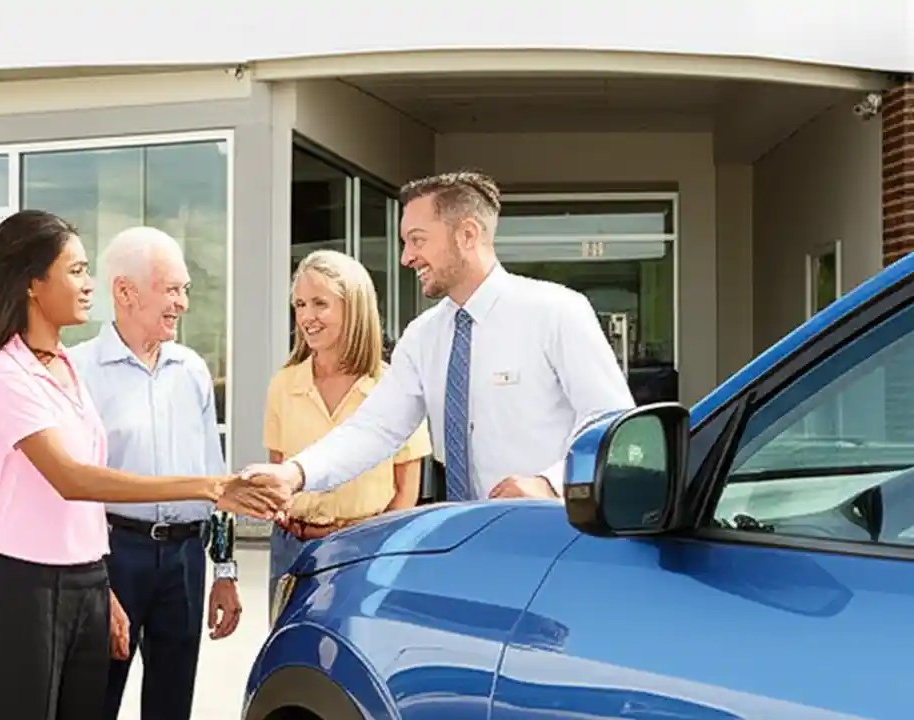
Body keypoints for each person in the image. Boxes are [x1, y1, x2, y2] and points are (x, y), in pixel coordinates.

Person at [0, 210, 286, 720]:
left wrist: (99, 585)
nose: (89, 286)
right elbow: (74, 480)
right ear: (34, 284)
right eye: (77, 271)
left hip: (89, 578)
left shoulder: (63, 366)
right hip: (28, 589)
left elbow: (85, 498)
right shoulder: (6, 373)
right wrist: (210, 486)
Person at [241, 170, 635, 504]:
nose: (406, 258)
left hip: (553, 535)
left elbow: (613, 422)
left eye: (417, 239)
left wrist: (550, 482)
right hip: (466, 537)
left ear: (467, 234)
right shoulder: (423, 336)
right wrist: (296, 473)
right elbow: (375, 428)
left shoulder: (556, 312)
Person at [68, 226, 241, 720]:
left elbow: (216, 480)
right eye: (172, 289)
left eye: (185, 289)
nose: (183, 302)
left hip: (186, 560)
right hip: (113, 557)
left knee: (172, 706)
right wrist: (97, 582)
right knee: (93, 700)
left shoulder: (192, 370)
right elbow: (72, 489)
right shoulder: (78, 373)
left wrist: (224, 572)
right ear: (125, 292)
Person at [263, 249, 432, 602]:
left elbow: (406, 493)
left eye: (320, 303)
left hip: (366, 550)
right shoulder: (283, 383)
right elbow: (279, 469)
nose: (307, 316)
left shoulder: (394, 386)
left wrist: (375, 550)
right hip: (292, 550)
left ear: (353, 307)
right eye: (300, 305)